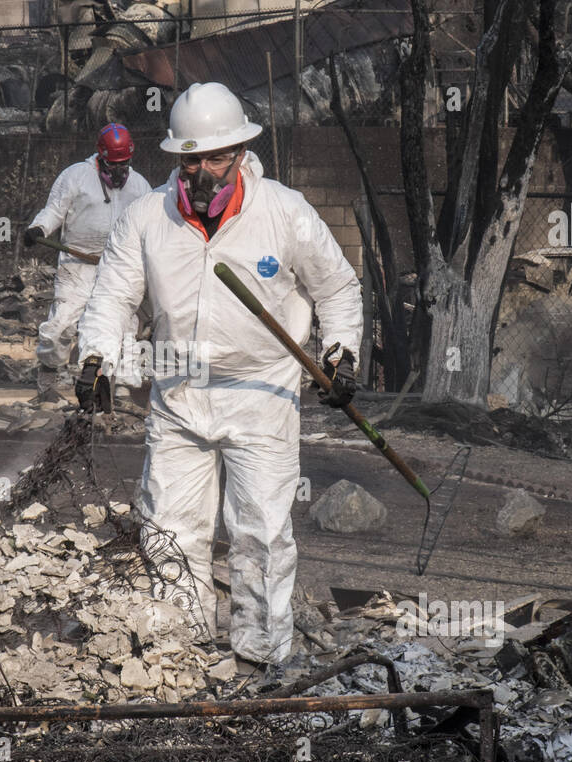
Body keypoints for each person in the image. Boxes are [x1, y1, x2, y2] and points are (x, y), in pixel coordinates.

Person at [75, 82, 362, 667]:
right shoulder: (147, 217)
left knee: (258, 531)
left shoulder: (284, 213)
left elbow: (337, 288)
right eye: (190, 159)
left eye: (214, 157)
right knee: (170, 529)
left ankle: (260, 656)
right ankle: (176, 657)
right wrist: (97, 358)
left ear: (239, 152)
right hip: (178, 392)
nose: (202, 171)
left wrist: (338, 355)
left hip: (262, 394)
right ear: (176, 159)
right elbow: (112, 298)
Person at [24, 123, 149, 396]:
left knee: (123, 328)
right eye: (112, 165)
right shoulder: (76, 176)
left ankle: (121, 388)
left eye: (124, 164)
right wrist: (39, 229)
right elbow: (55, 210)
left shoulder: (139, 186)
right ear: (101, 157)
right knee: (62, 325)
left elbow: (150, 224)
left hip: (117, 267)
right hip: (77, 264)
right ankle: (48, 370)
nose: (118, 172)